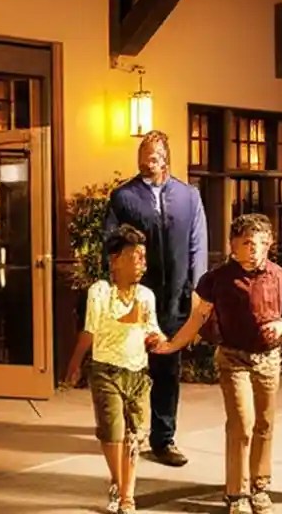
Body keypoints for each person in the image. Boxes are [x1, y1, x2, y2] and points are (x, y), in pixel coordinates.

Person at [156, 214, 282, 514]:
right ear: (233, 245)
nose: (254, 249)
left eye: (261, 243)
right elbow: (197, 319)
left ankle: (260, 487)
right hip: (233, 357)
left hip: (268, 358)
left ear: (270, 244)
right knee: (242, 423)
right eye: (247, 243)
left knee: (265, 423)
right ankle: (236, 492)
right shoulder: (216, 279)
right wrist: (172, 345)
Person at [103, 130, 208, 467]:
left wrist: (198, 289)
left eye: (154, 154)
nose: (148, 159)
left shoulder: (189, 196)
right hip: (135, 297)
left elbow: (198, 244)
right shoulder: (123, 197)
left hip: (175, 297)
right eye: (143, 153)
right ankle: (128, 431)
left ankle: (164, 438)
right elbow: (110, 245)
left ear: (166, 156)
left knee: (168, 368)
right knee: (129, 366)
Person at [66, 224, 166, 514]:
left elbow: (151, 327)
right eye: (135, 257)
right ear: (115, 260)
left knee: (136, 434)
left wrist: (158, 338)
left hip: (137, 372)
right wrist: (74, 364)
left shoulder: (146, 296)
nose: (142, 264)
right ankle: (121, 487)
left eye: (144, 257)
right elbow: (90, 330)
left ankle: (127, 492)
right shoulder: (101, 291)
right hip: (106, 370)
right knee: (113, 432)